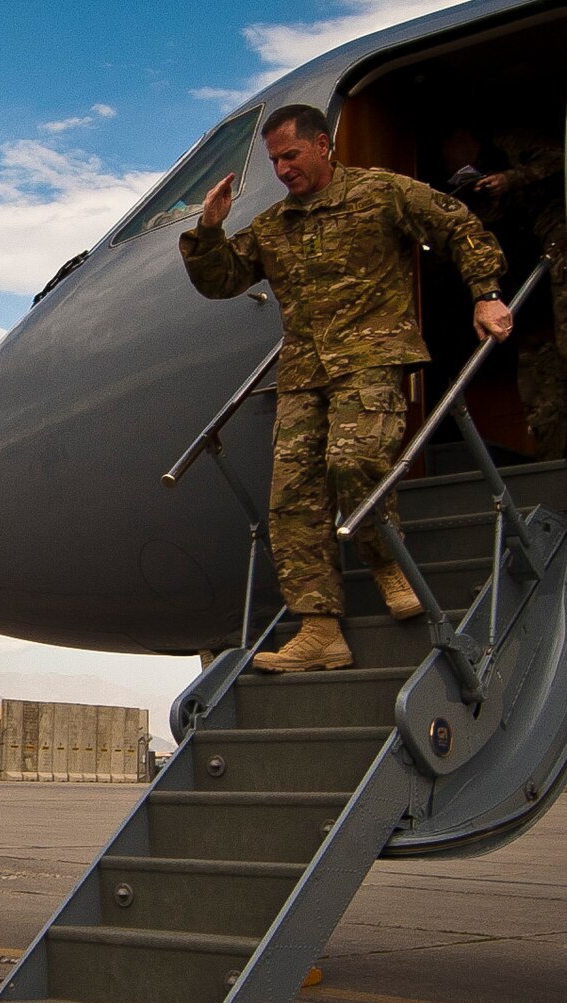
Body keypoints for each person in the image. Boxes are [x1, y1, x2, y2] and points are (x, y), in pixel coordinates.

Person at [181, 104, 511, 673]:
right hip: (304, 375)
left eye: (291, 155)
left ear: (323, 146)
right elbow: (222, 280)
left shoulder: (380, 193)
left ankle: (388, 564)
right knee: (291, 501)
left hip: (371, 359)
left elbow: (456, 222)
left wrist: (485, 291)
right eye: (275, 161)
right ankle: (320, 629)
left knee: (353, 462)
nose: (283, 169)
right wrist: (210, 229)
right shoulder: (273, 226)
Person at [443, 123, 566, 458]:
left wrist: (511, 178)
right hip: (528, 308)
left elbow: (558, 159)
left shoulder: (511, 142)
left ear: (463, 137)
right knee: (542, 400)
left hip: (554, 250)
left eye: (447, 150)